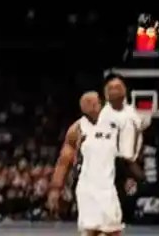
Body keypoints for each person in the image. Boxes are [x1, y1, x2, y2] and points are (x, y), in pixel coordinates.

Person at [48, 92, 123, 236]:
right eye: (88, 103)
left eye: (95, 102)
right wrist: (55, 189)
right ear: (83, 107)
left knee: (113, 231)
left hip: (108, 186)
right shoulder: (77, 129)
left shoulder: (114, 123)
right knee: (90, 231)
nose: (93, 106)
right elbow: (64, 161)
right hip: (87, 187)